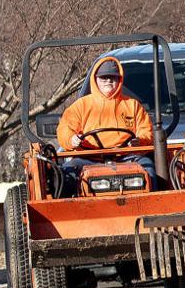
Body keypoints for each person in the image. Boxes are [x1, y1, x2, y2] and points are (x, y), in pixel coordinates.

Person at [55, 56, 157, 193]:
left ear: (119, 80)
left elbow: (146, 131)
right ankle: (67, 211)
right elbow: (65, 128)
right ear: (95, 79)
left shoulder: (132, 105)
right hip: (88, 158)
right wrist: (71, 139)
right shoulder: (81, 106)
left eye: (113, 77)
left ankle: (153, 206)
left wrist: (140, 140)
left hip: (126, 158)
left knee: (148, 168)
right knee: (66, 173)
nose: (108, 81)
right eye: (104, 77)